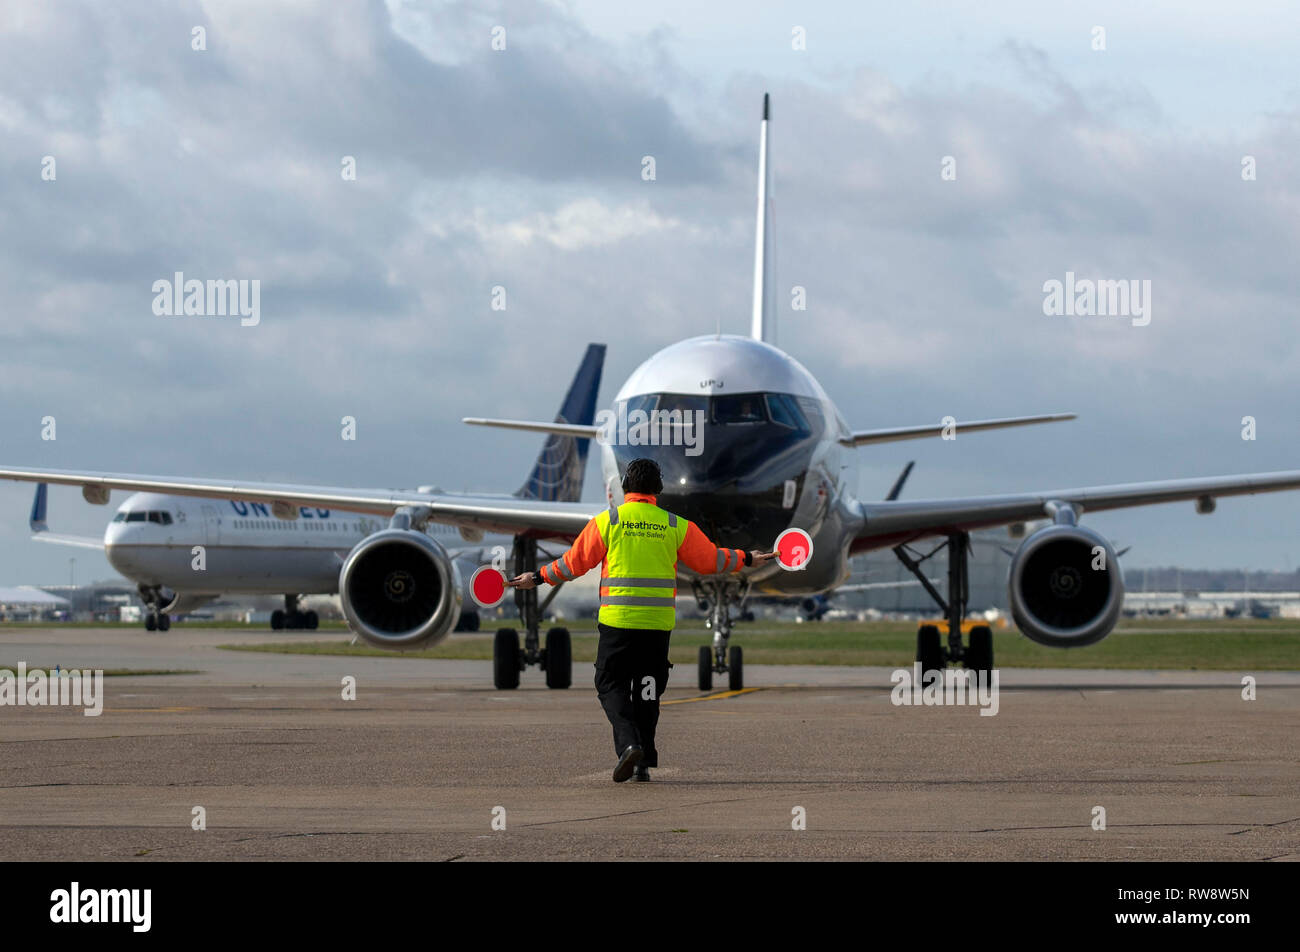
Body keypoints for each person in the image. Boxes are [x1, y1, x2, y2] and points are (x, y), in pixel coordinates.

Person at [507, 458, 776, 782]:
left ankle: (629, 745)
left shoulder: (608, 522)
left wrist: (537, 578)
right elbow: (710, 561)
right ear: (658, 490)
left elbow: (573, 565)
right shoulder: (675, 525)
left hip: (618, 621)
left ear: (624, 486)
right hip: (657, 623)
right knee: (648, 689)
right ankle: (644, 760)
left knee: (610, 683)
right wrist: (747, 558)